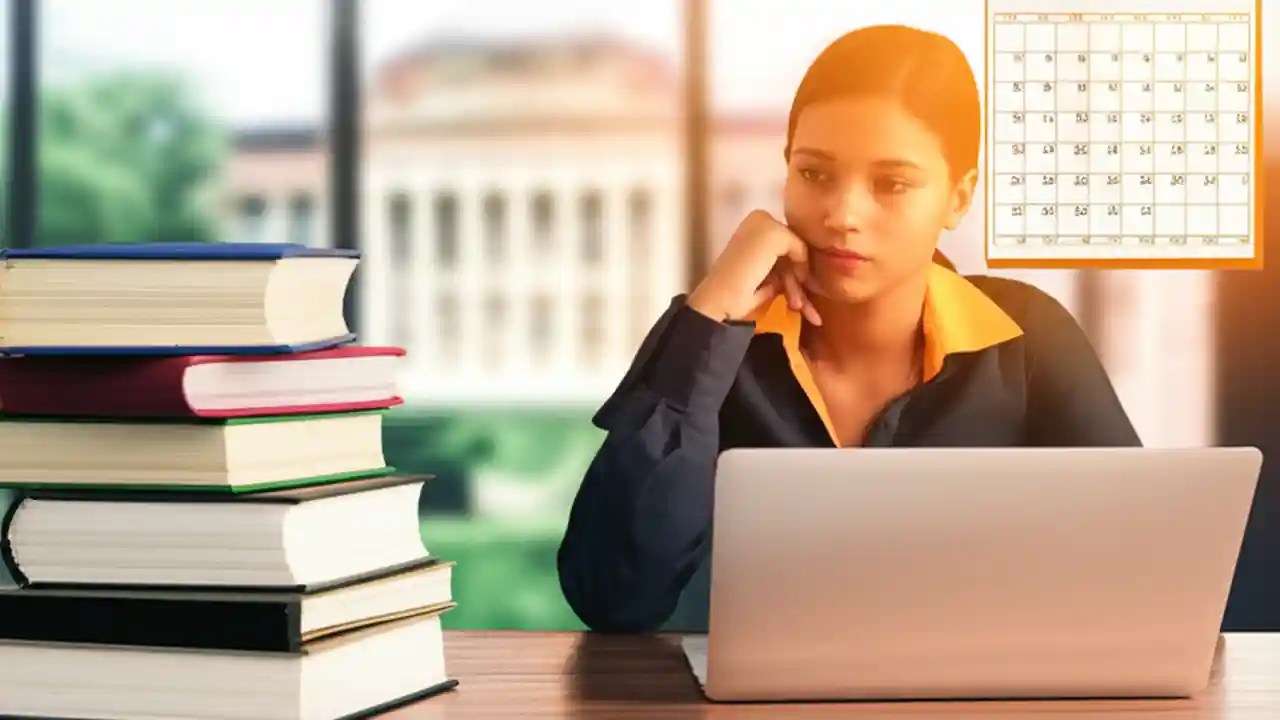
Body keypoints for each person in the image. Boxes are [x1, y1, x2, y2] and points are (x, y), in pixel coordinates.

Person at [557, 24, 1141, 634]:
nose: (842, 215)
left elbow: (1141, 562)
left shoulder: (1026, 339)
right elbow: (613, 598)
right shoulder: (714, 339)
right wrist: (709, 316)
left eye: (891, 184)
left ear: (957, 198)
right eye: (814, 174)